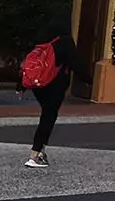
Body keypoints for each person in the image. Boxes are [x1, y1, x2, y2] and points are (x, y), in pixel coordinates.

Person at [18, 18, 86, 168]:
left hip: (38, 86)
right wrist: (89, 81)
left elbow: (29, 64)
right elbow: (75, 63)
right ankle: (34, 155)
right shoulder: (65, 42)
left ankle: (40, 152)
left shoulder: (43, 40)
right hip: (54, 85)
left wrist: (21, 85)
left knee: (46, 114)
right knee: (48, 117)